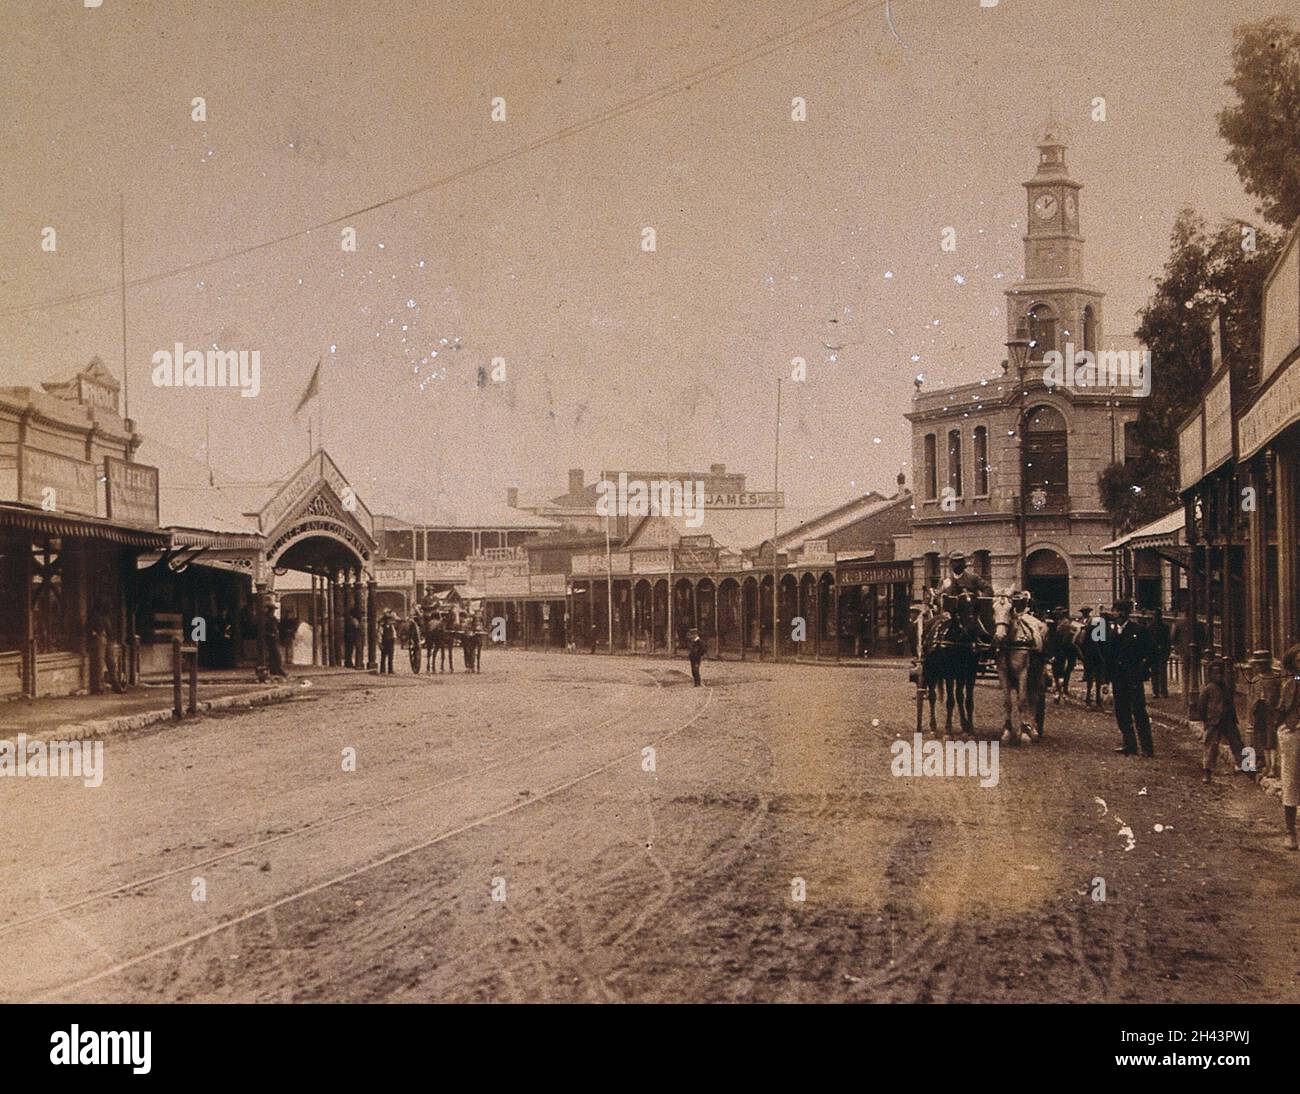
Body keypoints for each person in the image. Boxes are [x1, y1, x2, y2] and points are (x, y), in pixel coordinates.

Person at [1105, 599, 1153, 757]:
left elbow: (1149, 653)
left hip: (1133, 678)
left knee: (1139, 711)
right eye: (1115, 611)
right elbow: (1109, 657)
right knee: (1121, 712)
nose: (1117, 614)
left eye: (1120, 611)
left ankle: (1147, 748)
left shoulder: (1138, 630)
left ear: (1127, 613)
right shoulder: (1112, 632)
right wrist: (1107, 679)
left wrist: (1142, 670)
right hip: (1118, 678)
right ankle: (1129, 744)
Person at [1197, 659, 1245, 783]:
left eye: (1220, 673)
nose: (1218, 676)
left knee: (1237, 742)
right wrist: (1206, 720)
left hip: (1228, 719)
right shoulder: (1208, 689)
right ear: (1210, 675)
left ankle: (1245, 767)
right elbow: (1201, 706)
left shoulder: (1227, 686)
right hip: (1214, 721)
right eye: (1215, 674)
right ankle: (1207, 772)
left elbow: (1230, 700)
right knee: (1211, 746)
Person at [1276, 643, 1300, 851]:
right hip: (1294, 733)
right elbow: (1282, 709)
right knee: (1291, 779)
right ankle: (1290, 832)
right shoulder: (1292, 683)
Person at [1150, 607, 1171, 699]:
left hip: (1159, 652)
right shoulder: (1153, 627)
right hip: (1156, 652)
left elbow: (1168, 641)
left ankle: (1160, 691)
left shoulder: (1153, 627)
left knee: (1160, 672)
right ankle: (1158, 691)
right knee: (1157, 672)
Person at [378, 609, 398, 675]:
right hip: (385, 642)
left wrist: (394, 638)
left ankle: (390, 670)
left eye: (390, 619)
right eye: (388, 619)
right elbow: (380, 634)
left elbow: (394, 633)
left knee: (391, 657)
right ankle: (382, 670)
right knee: (383, 656)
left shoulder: (391, 626)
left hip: (391, 641)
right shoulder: (382, 626)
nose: (389, 621)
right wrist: (380, 643)